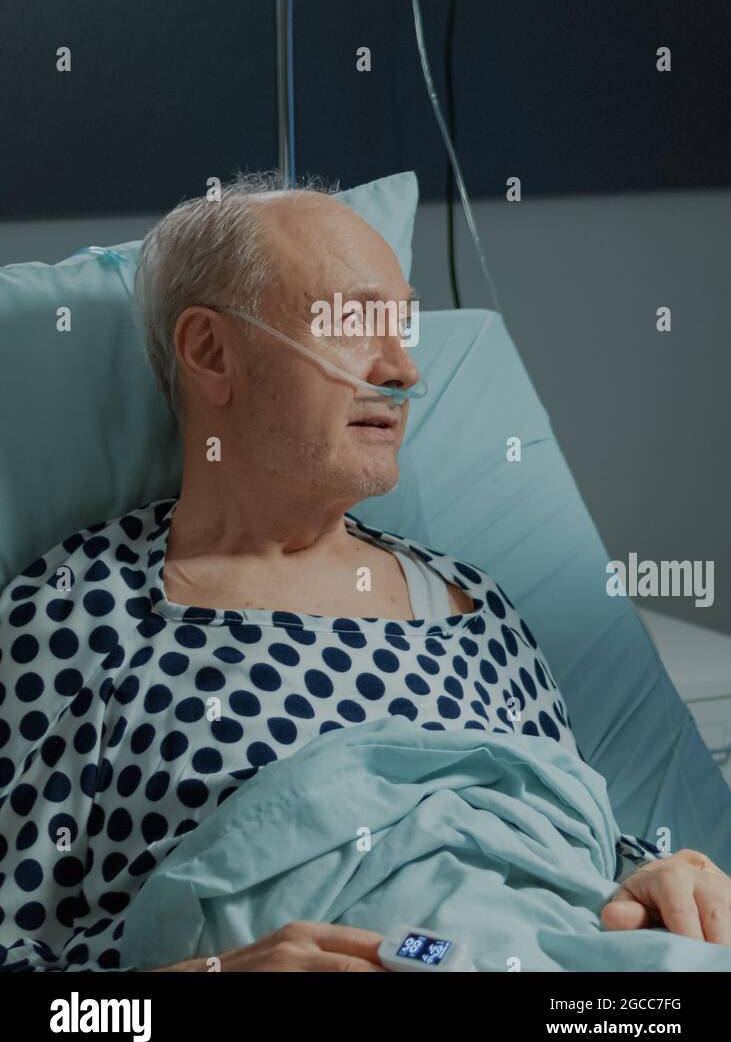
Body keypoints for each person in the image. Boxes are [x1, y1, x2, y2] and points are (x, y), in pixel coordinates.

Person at [1, 172, 729, 973]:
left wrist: (655, 875)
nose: (404, 370)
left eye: (403, 326)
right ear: (211, 351)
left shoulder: (471, 605)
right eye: (352, 322)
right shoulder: (80, 612)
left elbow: (565, 852)